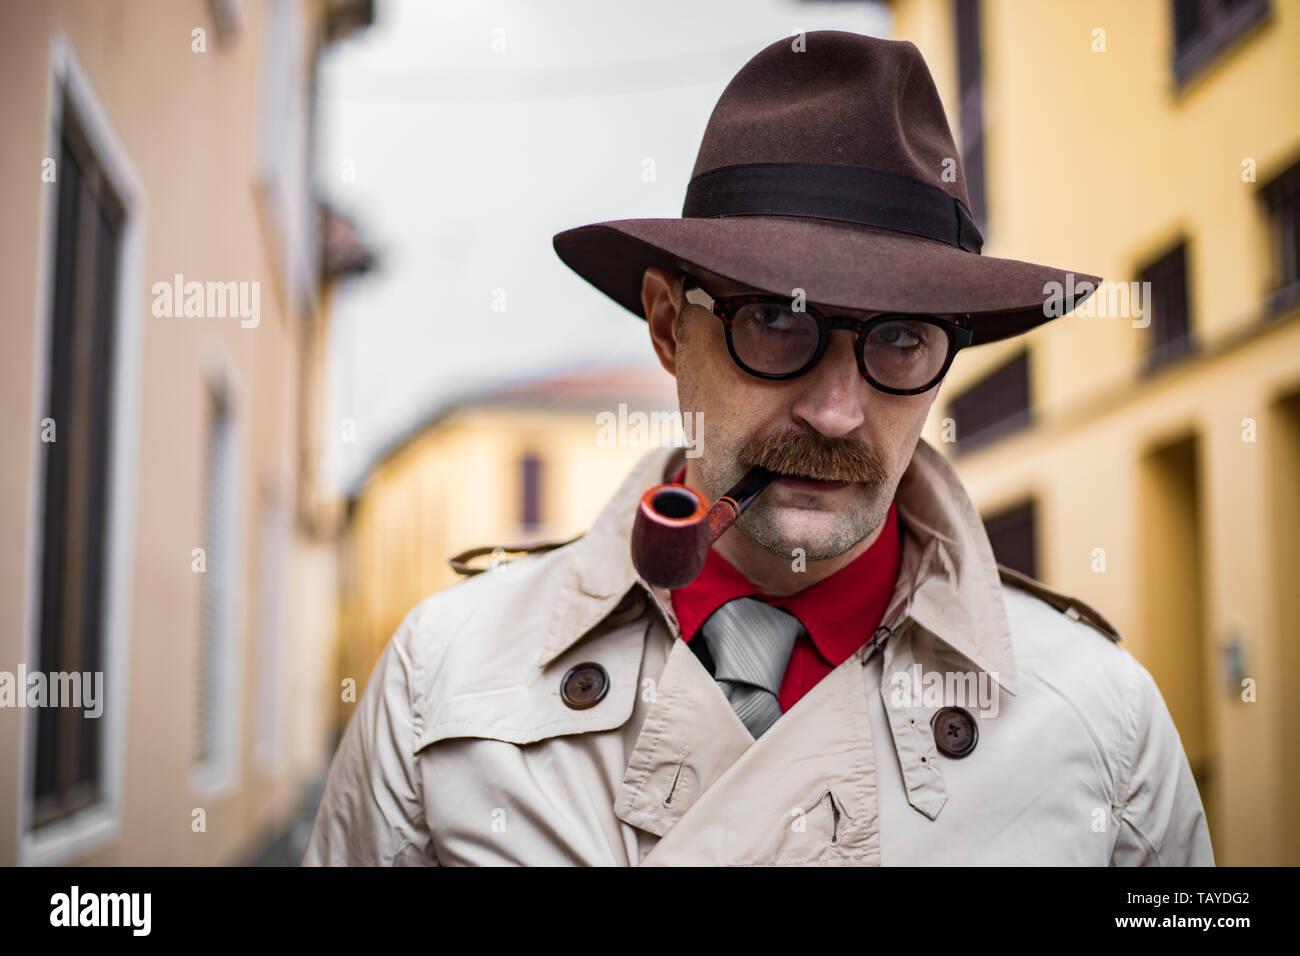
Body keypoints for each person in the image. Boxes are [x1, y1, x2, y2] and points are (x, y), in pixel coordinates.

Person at [302, 30, 1214, 866]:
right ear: (668, 326)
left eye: (900, 340)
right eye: (777, 321)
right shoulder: (446, 680)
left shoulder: (1103, 729)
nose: (835, 411)